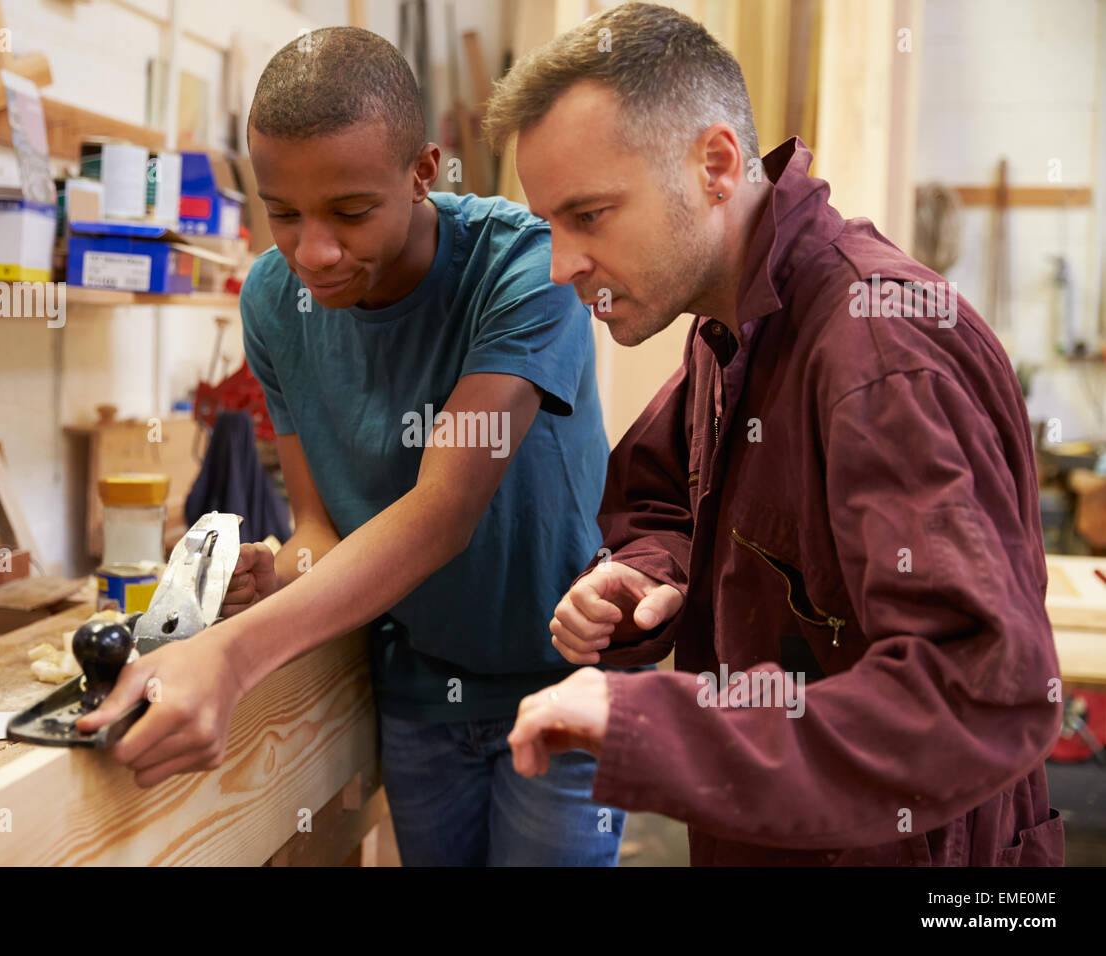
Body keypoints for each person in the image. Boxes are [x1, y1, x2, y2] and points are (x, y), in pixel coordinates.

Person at [486, 2, 1064, 866]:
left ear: (715, 164)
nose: (561, 264)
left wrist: (658, 727)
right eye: (549, 228)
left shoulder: (878, 350)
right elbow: (663, 497)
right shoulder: (731, 326)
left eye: (591, 216)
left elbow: (984, 692)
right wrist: (643, 576)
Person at [79, 25, 624, 866]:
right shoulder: (271, 300)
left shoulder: (525, 267)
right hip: (414, 693)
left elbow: (443, 512)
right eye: (283, 214)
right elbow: (321, 531)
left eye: (350, 211)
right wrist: (281, 572)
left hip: (559, 682)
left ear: (422, 171)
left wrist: (229, 656)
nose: (313, 252)